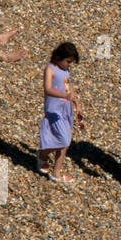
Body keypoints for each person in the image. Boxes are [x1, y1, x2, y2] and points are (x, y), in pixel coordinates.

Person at [38, 41, 82, 184]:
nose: (69, 64)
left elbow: (68, 86)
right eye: (68, 61)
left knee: (66, 142)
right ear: (59, 57)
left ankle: (56, 173)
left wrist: (77, 104)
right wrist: (65, 96)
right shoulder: (50, 69)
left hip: (66, 109)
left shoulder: (65, 71)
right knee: (63, 141)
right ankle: (43, 154)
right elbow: (48, 89)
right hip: (54, 109)